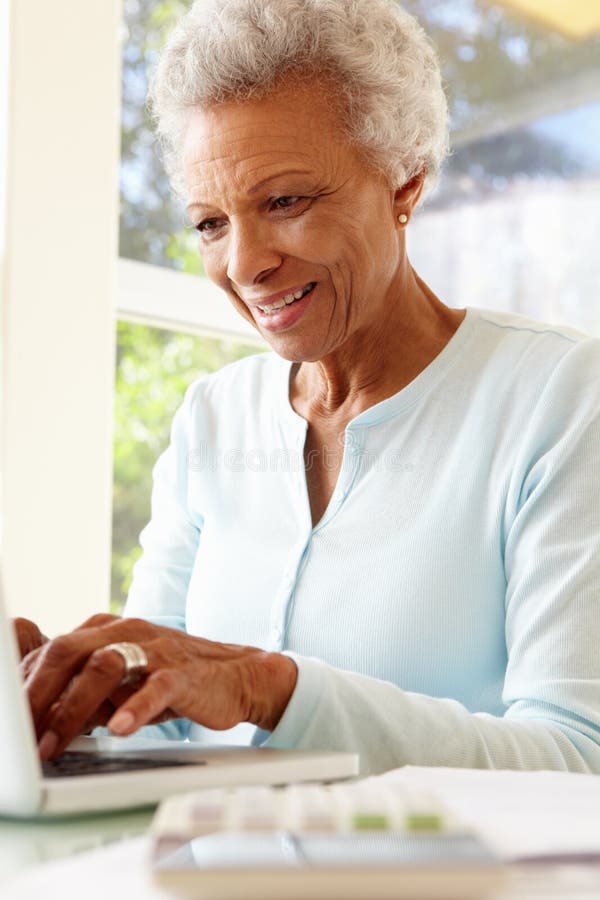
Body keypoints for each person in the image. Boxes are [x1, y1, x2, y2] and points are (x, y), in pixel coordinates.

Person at [16, 0, 600, 774]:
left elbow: (577, 761)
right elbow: (152, 724)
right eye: (210, 223)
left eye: (285, 202)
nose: (245, 264)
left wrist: (274, 690)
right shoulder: (212, 420)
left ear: (405, 182)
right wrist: (63, 715)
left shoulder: (562, 399)